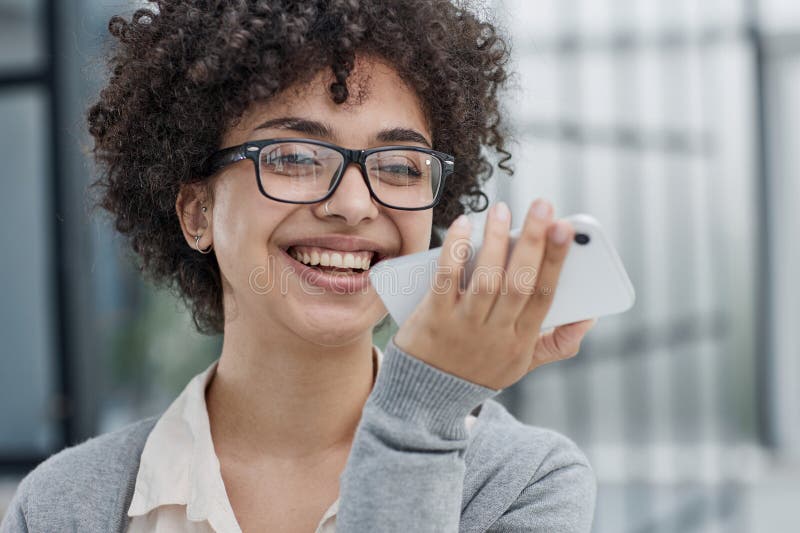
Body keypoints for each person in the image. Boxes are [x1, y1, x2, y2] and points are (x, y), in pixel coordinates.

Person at [0, 1, 599, 532]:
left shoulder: (522, 482)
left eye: (399, 166)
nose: (353, 205)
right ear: (197, 211)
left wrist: (420, 417)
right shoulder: (66, 507)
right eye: (292, 156)